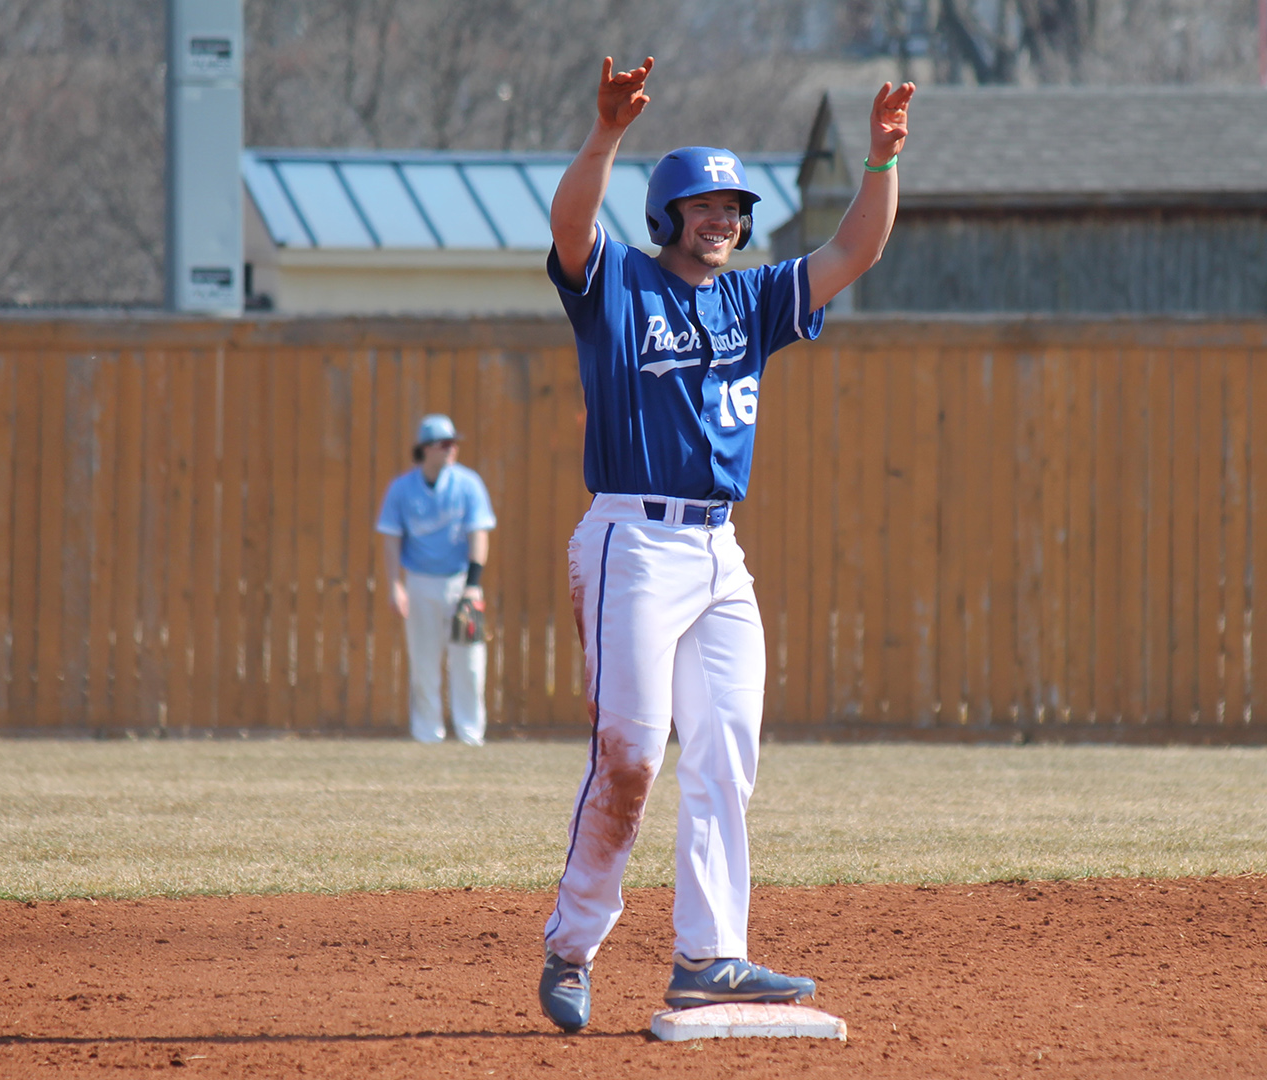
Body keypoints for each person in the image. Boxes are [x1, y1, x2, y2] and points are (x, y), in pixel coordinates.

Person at [535, 55, 915, 1033]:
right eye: (706, 206)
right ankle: (573, 947)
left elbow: (852, 254)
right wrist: (607, 134)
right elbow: (571, 227)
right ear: (667, 215)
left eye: (735, 208)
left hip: (718, 551)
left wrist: (879, 162)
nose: (724, 220)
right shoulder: (619, 282)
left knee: (724, 754)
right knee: (631, 757)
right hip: (633, 536)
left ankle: (711, 956)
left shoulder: (752, 300)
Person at [374, 413, 496, 745]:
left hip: (461, 585)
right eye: (444, 444)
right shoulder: (402, 489)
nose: (452, 449)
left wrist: (473, 584)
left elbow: (478, 534)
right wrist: (394, 584)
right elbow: (390, 539)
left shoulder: (468, 484)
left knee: (469, 663)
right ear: (426, 448)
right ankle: (428, 734)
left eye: (454, 443)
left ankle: (471, 735)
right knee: (424, 661)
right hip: (420, 584)